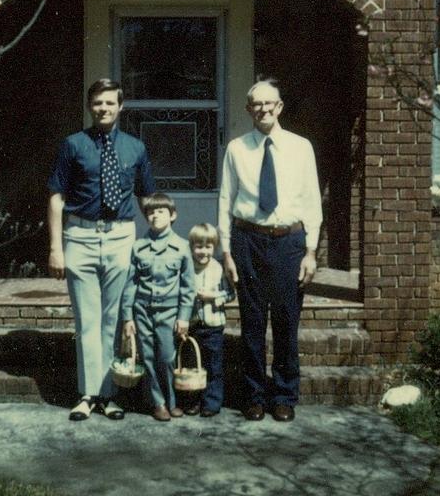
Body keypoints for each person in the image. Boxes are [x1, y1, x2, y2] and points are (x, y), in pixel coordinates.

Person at [47, 78, 155, 421]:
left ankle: (109, 395)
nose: (103, 108)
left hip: (120, 237)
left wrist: (160, 238)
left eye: (110, 103)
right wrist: (56, 248)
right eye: (97, 103)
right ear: (89, 106)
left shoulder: (135, 148)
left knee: (113, 319)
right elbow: (56, 197)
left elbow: (147, 198)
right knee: (87, 321)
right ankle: (87, 394)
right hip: (80, 237)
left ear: (120, 107)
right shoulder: (73, 145)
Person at [217, 78, 322, 422]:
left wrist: (310, 251)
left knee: (286, 321)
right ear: (249, 109)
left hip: (289, 243)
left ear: (279, 107)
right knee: (252, 322)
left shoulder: (301, 147)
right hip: (247, 240)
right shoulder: (237, 149)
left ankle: (284, 396)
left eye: (269, 103)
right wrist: (226, 252)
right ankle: (254, 396)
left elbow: (311, 201)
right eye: (256, 104)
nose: (263, 109)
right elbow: (225, 201)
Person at [120, 193, 195, 422]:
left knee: (167, 356)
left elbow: (188, 287)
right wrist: (127, 316)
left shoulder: (182, 247)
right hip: (143, 310)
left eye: (161, 211)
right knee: (148, 356)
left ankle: (172, 401)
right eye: (151, 212)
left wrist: (184, 316)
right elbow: (131, 284)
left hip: (169, 312)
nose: (155, 216)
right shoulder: (139, 247)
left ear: (172, 215)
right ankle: (158, 403)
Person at [183, 223, 234, 418]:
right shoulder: (187, 268)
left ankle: (211, 402)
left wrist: (213, 296)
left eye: (208, 247)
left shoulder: (218, 268)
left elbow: (230, 294)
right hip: (193, 325)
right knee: (192, 365)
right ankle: (193, 402)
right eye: (198, 247)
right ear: (191, 247)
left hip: (213, 326)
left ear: (214, 247)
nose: (203, 252)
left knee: (213, 365)